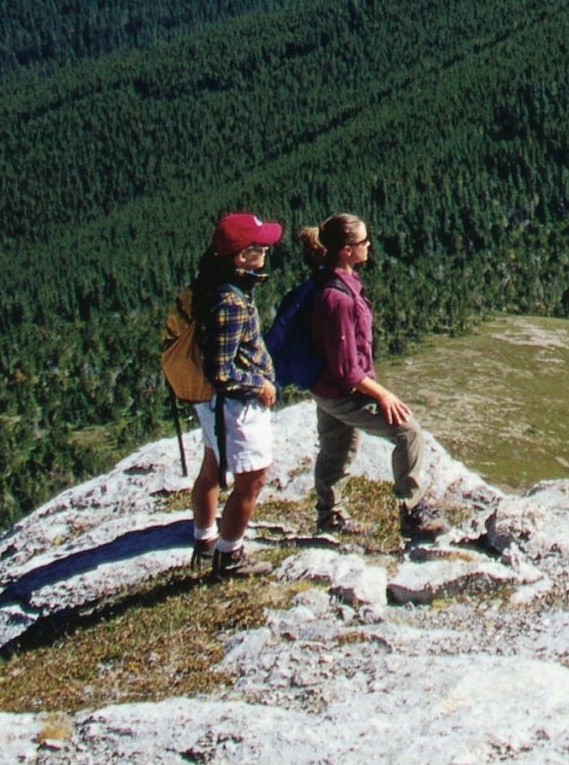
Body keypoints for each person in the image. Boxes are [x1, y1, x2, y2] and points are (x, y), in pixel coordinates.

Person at [299, 213, 444, 540]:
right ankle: (412, 512)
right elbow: (347, 370)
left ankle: (329, 516)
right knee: (408, 433)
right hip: (341, 390)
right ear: (347, 250)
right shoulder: (338, 298)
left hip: (324, 386)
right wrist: (382, 394)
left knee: (337, 447)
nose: (369, 246)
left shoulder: (332, 281)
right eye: (363, 242)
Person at [190, 211, 282, 576]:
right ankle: (230, 556)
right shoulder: (231, 301)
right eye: (261, 247)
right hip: (235, 407)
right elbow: (221, 372)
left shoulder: (214, 283)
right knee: (252, 478)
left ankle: (205, 541)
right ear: (242, 256)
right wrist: (259, 384)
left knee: (212, 465)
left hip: (215, 406)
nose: (267, 251)